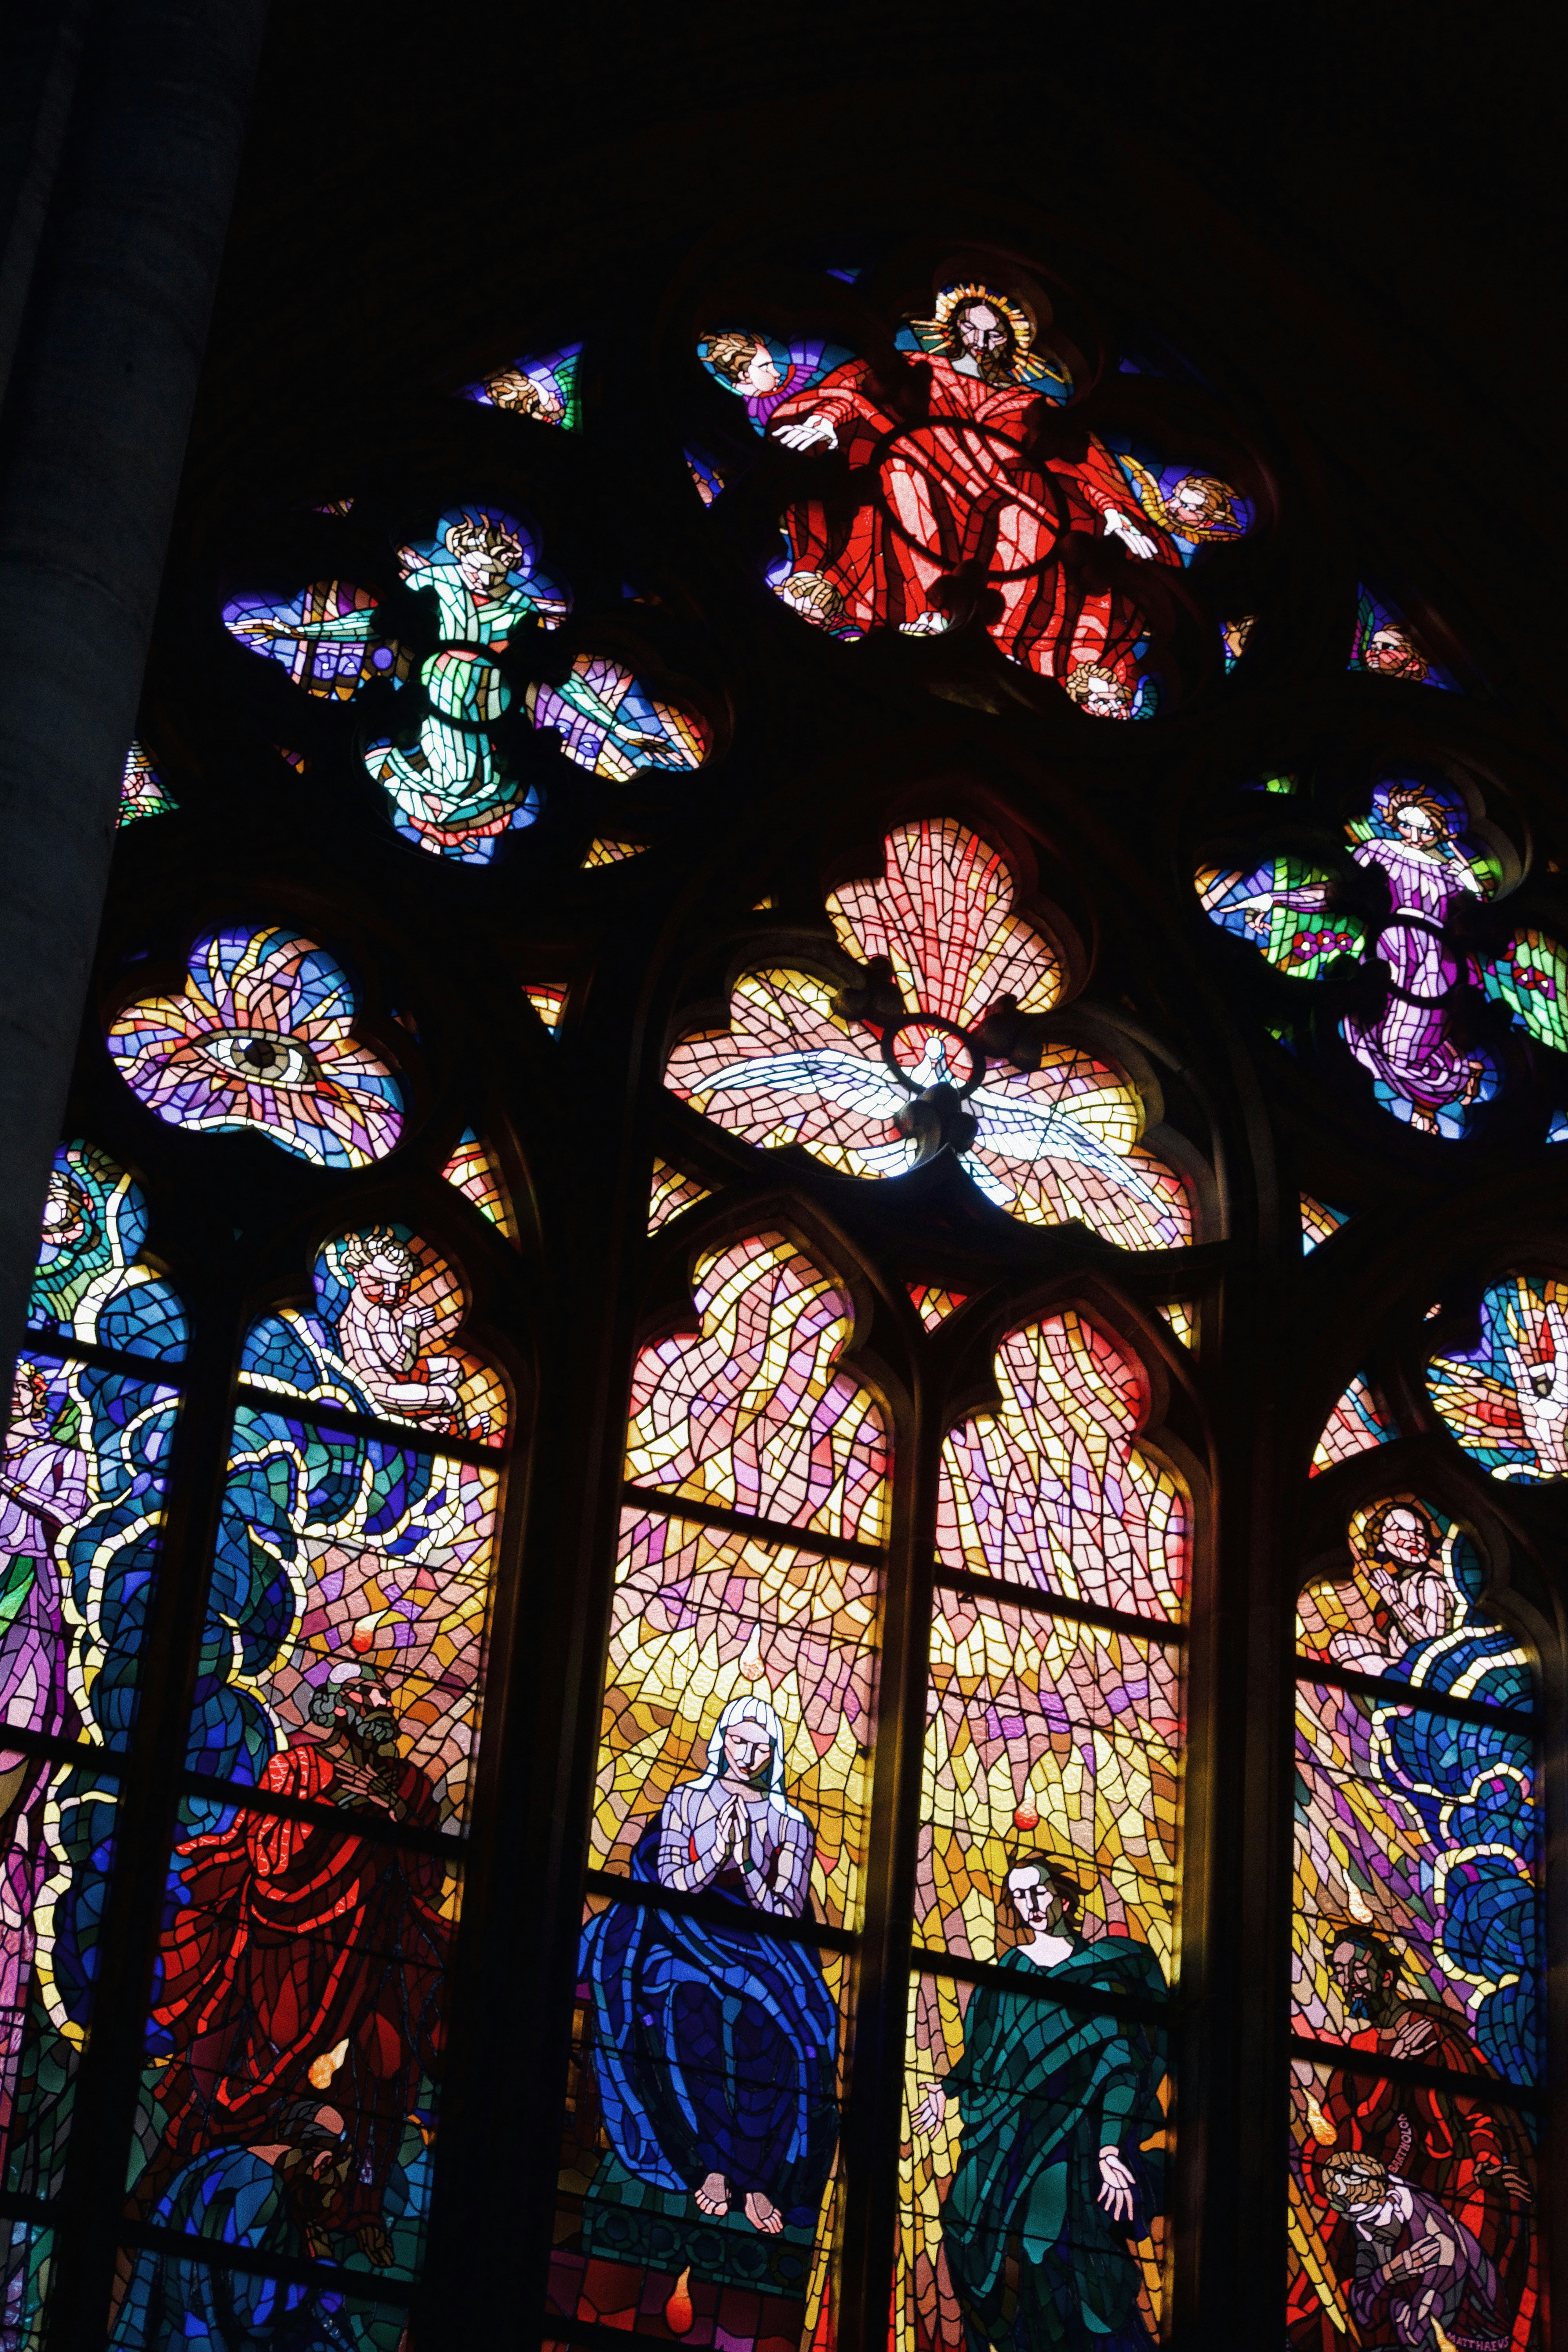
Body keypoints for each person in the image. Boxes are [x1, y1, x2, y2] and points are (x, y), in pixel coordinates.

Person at [145, 1668, 449, 2252]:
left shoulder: (409, 1787)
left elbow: (427, 1880)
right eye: (367, 1694)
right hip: (291, 1953)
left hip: (376, 1957)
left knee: (384, 2071)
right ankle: (225, 2190)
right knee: (270, 2060)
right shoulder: (298, 1769)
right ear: (337, 1707)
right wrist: (339, 1802)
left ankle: (359, 2204)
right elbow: (271, 1859)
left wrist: (393, 1812)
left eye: (385, 1696)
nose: (382, 1703)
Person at [764, 282, 1181, 691]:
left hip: (1003, 492)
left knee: (1026, 523)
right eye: (970, 327)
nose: (980, 342)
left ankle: (1009, 637)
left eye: (994, 334)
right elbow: (850, 389)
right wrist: (824, 420)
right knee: (902, 482)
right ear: (952, 328)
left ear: (1011, 342)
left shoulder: (1030, 404)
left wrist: (1113, 512)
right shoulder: (916, 368)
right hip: (915, 466)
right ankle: (918, 608)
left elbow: (1087, 462)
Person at [579, 1694, 838, 2237]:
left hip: (764, 1952)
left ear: (775, 1754)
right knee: (686, 2002)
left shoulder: (790, 1823)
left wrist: (746, 1864)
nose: (747, 1755)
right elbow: (670, 1887)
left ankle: (759, 2177)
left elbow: (786, 1912)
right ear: (722, 1740)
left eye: (760, 1747)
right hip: (681, 1941)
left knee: (774, 2029)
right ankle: (714, 2165)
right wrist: (715, 1853)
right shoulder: (686, 1801)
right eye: (738, 1741)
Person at [910, 1855, 1166, 2352]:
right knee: (962, 2227)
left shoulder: (1102, 1974)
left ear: (1063, 1898)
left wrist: (1109, 2149)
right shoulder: (1011, 1970)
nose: (1028, 1904)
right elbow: (983, 2054)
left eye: (1038, 1891)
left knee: (1041, 2248)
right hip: (1003, 2131)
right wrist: (944, 2091)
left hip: (1067, 2138)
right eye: (1018, 1896)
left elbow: (1120, 2065)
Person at [1294, 1927, 1534, 2344]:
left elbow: (1476, 2113)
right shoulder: (1359, 2048)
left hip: (1447, 2185)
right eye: (1339, 1971)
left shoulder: (1433, 2036)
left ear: (1387, 1976)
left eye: (1358, 1969)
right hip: (1380, 2194)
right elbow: (1359, 2127)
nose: (1348, 1981)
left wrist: (1487, 2161)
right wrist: (1397, 2063)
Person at [1230, 784, 1492, 1133]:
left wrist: (1466, 875)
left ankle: (1434, 1100)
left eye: (1427, 830)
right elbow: (1339, 893)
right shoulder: (1377, 851)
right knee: (1393, 1041)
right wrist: (1276, 898)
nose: (1415, 836)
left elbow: (1476, 911)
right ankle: (1431, 1098)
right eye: (1406, 825)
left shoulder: (1447, 873)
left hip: (1439, 959)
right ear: (1393, 821)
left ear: (1441, 833)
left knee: (1424, 1034)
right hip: (1393, 947)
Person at [0, 1360, 87, 2131]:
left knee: (20, 1717)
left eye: (32, 1382)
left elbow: (70, 1506)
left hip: (27, 1603)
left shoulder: (60, 1452)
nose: (25, 1388)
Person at [112, 2099, 367, 2349]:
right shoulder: (266, 2191)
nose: (327, 2202)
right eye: (333, 2186)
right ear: (323, 2163)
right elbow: (255, 2314)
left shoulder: (208, 2164)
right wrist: (319, 2269)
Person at [1320, 2150, 1509, 2350]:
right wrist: (1388, 2275)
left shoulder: (1432, 2229)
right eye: (1360, 2224)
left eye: (1373, 2219)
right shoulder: (1370, 2231)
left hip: (1476, 2341)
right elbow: (1364, 2314)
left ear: (1393, 2199)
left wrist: (1411, 2308)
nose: (1368, 2233)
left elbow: (1422, 2330)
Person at [1299, 1499, 1456, 1674]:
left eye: (1419, 1532)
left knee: (1353, 1667)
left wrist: (1393, 1600)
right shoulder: (1397, 1583)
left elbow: (1431, 1644)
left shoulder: (1430, 1583)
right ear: (1382, 1544)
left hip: (1429, 1669)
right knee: (1341, 1644)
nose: (1412, 1538)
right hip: (1401, 1661)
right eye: (1399, 1530)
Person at [335, 1228, 465, 1429]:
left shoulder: (357, 1305)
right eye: (380, 1282)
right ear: (355, 1272)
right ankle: (454, 1430)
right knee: (449, 1396)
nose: (392, 1294)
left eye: (401, 1284)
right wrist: (410, 1327)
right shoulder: (377, 1314)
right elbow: (403, 1364)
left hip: (388, 1378)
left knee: (453, 1368)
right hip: (381, 1391)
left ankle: (417, 1416)